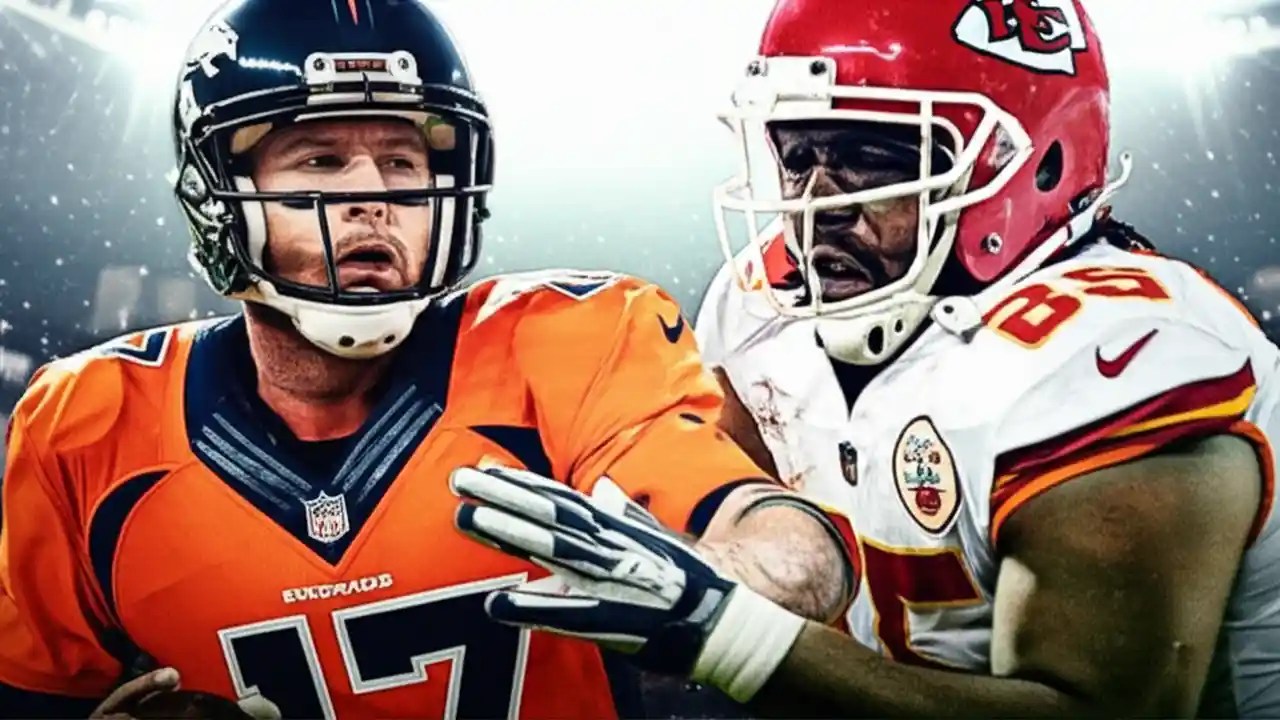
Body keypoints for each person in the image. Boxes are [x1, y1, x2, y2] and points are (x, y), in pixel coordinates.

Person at [0, 1, 859, 718]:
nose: (376, 197)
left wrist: (717, 589)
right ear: (219, 196)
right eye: (323, 161)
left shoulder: (569, 343)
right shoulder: (85, 422)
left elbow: (792, 547)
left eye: (404, 162)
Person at [452, 0, 1280, 716]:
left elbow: (1091, 713)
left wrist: (722, 634)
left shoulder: (1119, 354)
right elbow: (750, 545)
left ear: (1033, 163)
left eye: (873, 157)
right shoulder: (759, 302)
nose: (815, 205)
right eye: (799, 152)